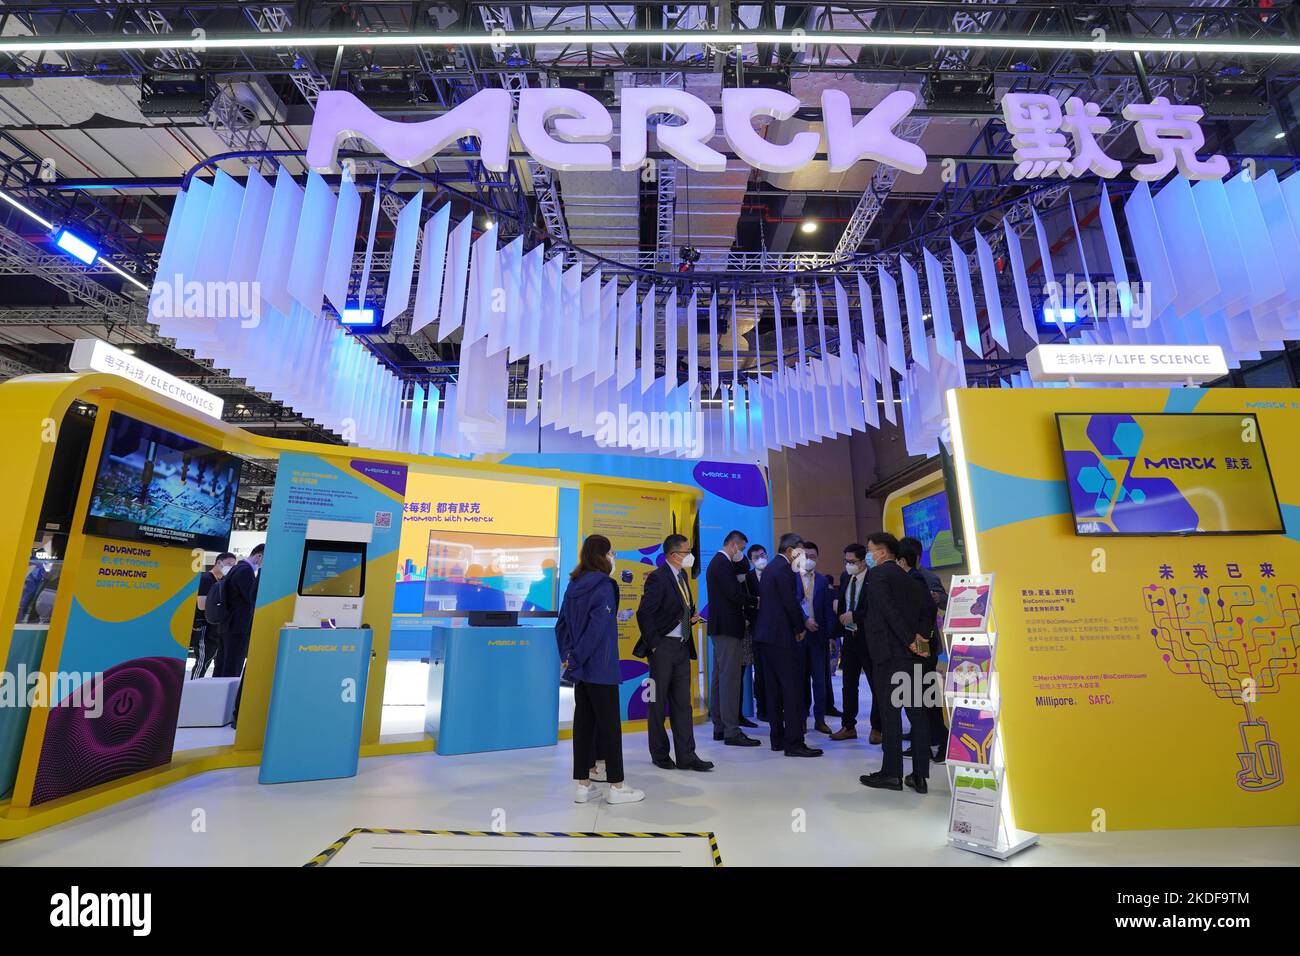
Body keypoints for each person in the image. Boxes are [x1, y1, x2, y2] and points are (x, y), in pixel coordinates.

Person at [556, 534, 645, 805]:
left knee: (583, 725)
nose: (613, 557)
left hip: (580, 670)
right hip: (600, 667)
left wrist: (569, 658)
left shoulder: (574, 585)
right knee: (609, 726)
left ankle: (583, 785)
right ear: (602, 555)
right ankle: (617, 786)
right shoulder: (605, 586)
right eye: (611, 552)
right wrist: (579, 657)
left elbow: (561, 626)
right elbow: (597, 630)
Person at [633, 534, 714, 772]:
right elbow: (644, 614)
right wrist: (655, 645)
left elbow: (681, 610)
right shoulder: (658, 578)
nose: (690, 556)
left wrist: (691, 620)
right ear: (673, 555)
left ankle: (687, 755)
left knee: (683, 704)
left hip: (682, 646)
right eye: (686, 552)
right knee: (657, 703)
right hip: (663, 649)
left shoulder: (682, 576)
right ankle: (659, 754)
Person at [859, 532, 931, 794]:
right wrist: (919, 642)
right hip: (911, 657)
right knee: (916, 713)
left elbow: (887, 611)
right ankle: (920, 775)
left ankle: (891, 774)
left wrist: (907, 640)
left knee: (891, 716)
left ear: (882, 552)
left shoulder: (878, 575)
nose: (868, 555)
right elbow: (927, 611)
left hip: (889, 655)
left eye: (870, 550)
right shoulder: (910, 577)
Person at [753, 533, 823, 758]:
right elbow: (790, 602)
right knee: (792, 689)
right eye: (801, 551)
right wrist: (800, 628)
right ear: (791, 550)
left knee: (773, 690)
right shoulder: (784, 569)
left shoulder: (771, 568)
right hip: (781, 638)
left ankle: (777, 739)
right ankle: (794, 742)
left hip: (766, 637)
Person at [707, 530, 760, 747]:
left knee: (720, 678)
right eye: (743, 548)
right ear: (734, 545)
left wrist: (740, 560)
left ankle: (720, 726)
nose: (744, 553)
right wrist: (756, 600)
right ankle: (731, 731)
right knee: (729, 680)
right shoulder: (722, 563)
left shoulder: (722, 562)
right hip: (728, 628)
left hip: (721, 628)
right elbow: (734, 594)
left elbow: (742, 570)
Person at [898, 539, 948, 764]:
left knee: (927, 698)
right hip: (917, 646)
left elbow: (943, 602)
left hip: (924, 646)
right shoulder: (906, 578)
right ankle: (924, 741)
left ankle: (943, 741)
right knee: (919, 697)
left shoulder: (925, 578)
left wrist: (937, 598)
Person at [831, 543, 880, 743]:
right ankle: (848, 725)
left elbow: (875, 609)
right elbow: (842, 604)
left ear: (863, 561)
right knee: (848, 684)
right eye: (846, 561)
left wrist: (855, 616)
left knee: (875, 684)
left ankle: (877, 727)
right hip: (849, 638)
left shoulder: (874, 579)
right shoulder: (845, 577)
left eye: (852, 562)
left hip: (868, 638)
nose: (849, 565)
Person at [796, 541, 836, 736]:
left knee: (819, 681)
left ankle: (820, 720)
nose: (809, 560)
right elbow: (792, 605)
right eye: (806, 556)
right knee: (800, 681)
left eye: (813, 557)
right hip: (799, 637)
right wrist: (804, 622)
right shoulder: (792, 579)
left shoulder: (821, 581)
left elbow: (828, 611)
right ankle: (801, 719)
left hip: (818, 638)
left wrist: (829, 636)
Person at [216, 544, 263, 681]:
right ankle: (226, 699)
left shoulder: (237, 568)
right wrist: (262, 571)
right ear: (259, 556)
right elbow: (251, 597)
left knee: (223, 664)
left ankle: (217, 697)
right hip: (237, 626)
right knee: (232, 665)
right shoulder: (245, 571)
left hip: (229, 624)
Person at [191, 552, 235, 680]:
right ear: (219, 562)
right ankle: (193, 688)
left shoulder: (222, 581)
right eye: (229, 564)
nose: (231, 567)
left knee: (209, 659)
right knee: (202, 661)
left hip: (215, 627)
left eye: (233, 565)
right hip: (204, 625)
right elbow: (201, 605)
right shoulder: (206, 578)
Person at [745, 543, 768, 723]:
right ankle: (762, 709)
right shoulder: (747, 578)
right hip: (756, 630)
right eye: (756, 557)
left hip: (775, 631)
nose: (761, 559)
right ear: (751, 561)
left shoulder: (774, 574)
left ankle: (776, 706)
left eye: (763, 555)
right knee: (759, 672)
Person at [899, 536, 949, 612]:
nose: (899, 563)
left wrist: (938, 597)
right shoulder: (900, 575)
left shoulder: (929, 578)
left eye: (900, 559)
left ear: (917, 558)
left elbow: (946, 603)